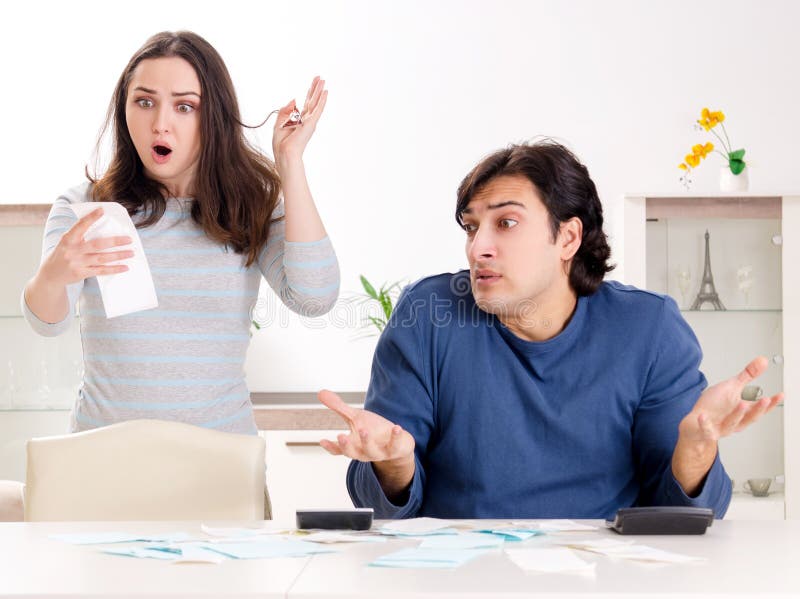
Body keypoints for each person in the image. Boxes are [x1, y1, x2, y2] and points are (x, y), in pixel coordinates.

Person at [317, 140, 782, 519]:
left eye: (506, 223)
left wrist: (697, 451)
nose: (478, 248)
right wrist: (395, 464)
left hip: (602, 576)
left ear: (568, 238)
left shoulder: (648, 328)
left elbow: (686, 514)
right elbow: (379, 503)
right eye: (472, 227)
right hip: (461, 575)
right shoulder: (427, 314)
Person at [19, 30, 338, 435]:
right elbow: (46, 324)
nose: (160, 124)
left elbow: (314, 298)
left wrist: (290, 162)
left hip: (220, 461)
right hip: (104, 459)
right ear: (124, 109)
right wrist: (52, 276)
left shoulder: (250, 207)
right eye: (144, 102)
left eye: (185, 107)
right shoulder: (86, 207)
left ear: (214, 118)